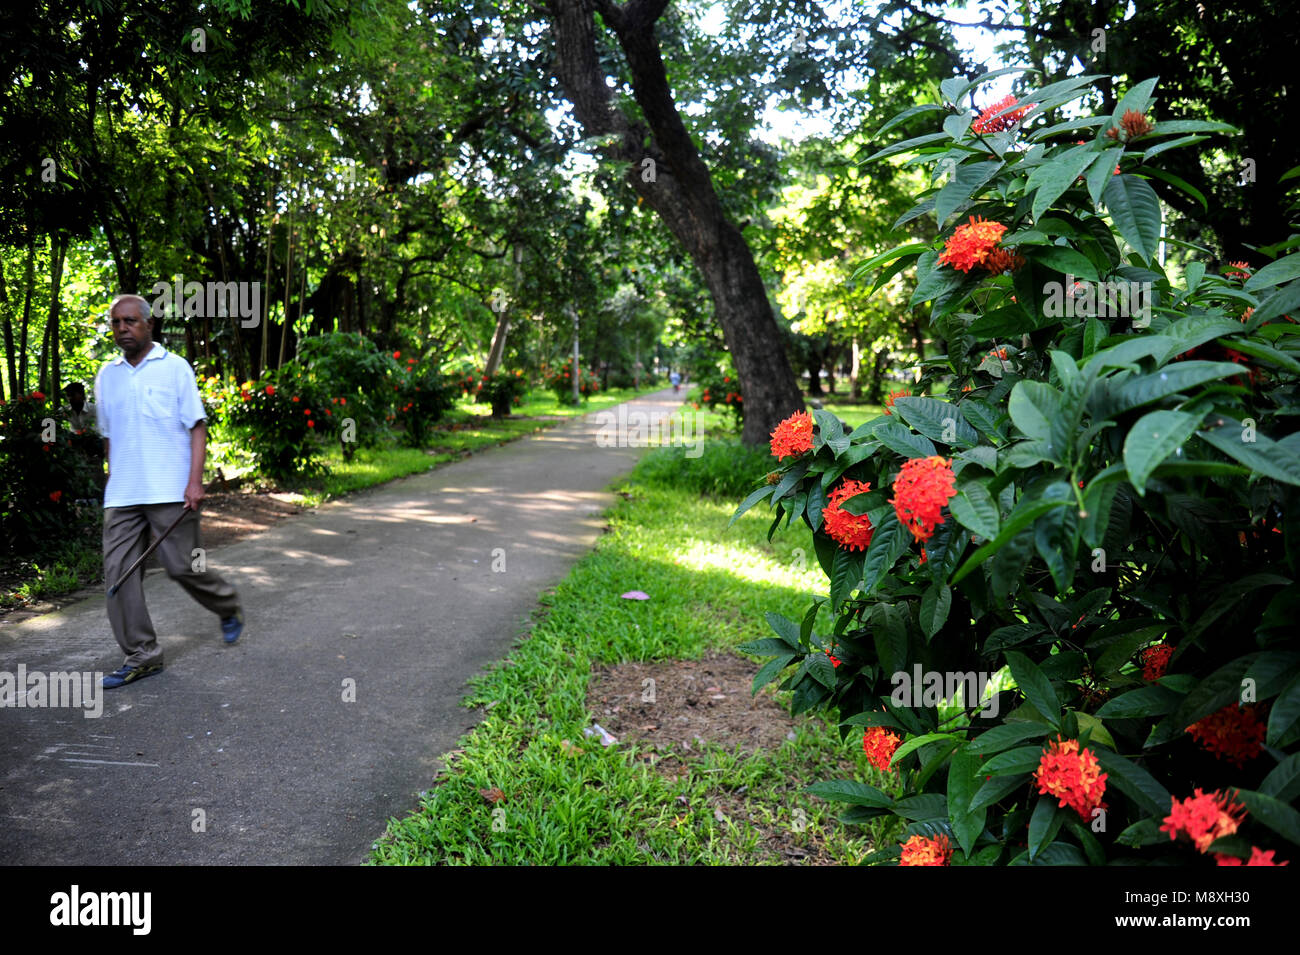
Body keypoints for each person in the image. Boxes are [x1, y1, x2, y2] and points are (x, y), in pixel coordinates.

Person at [94, 294, 244, 689]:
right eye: (116, 323)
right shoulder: (106, 376)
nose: (122, 329)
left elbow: (197, 426)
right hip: (123, 496)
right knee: (118, 576)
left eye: (130, 321)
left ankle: (226, 604)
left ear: (148, 324)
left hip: (171, 492)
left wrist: (195, 481)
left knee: (183, 566)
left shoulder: (175, 368)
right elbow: (109, 437)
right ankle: (143, 655)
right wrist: (111, 482)